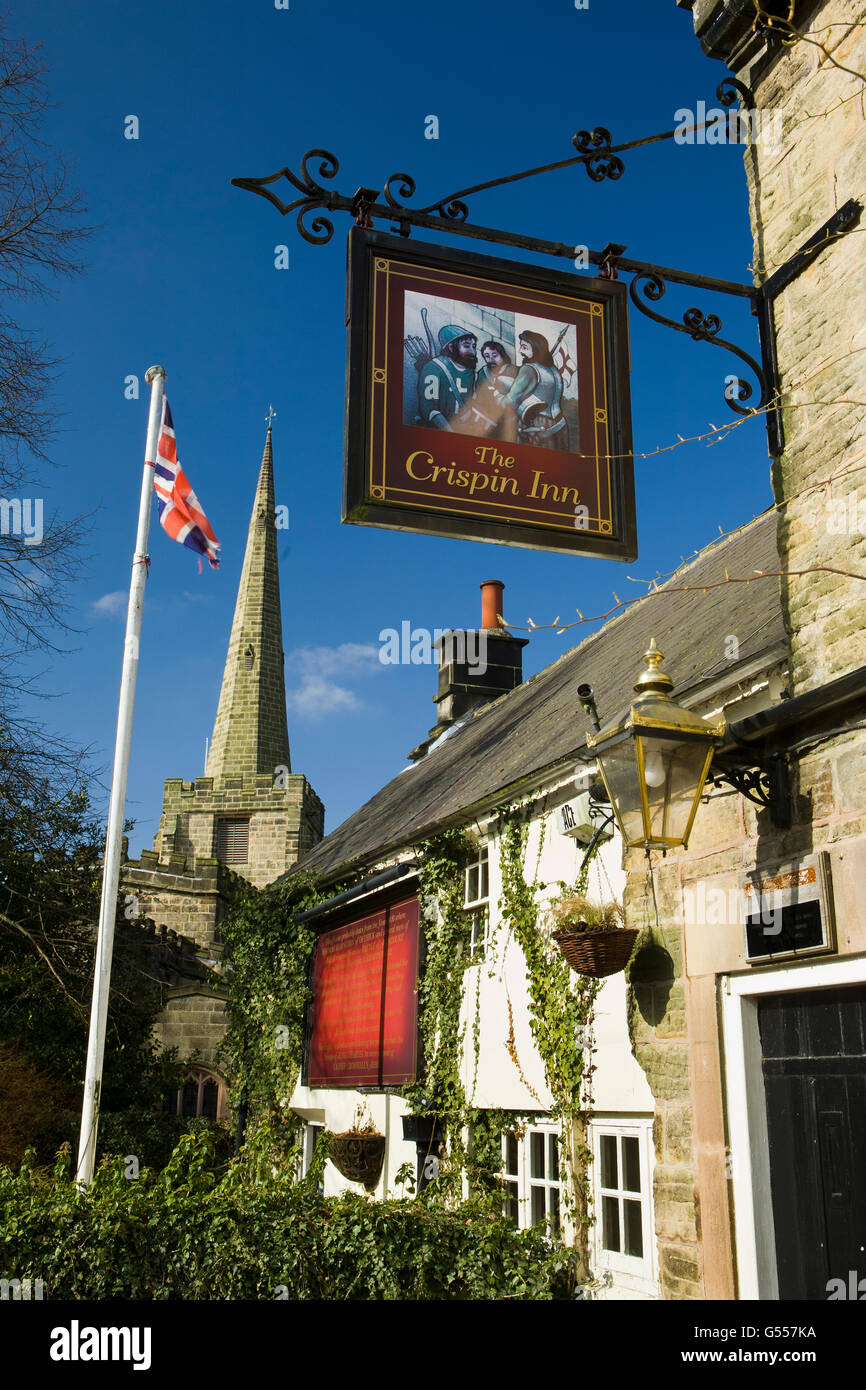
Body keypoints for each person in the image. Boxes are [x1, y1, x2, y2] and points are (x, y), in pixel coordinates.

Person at [495, 330, 569, 450]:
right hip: (560, 427)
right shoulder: (554, 370)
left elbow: (509, 401)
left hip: (536, 428)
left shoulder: (528, 369)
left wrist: (497, 396)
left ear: (536, 348)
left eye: (524, 347)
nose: (520, 351)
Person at [417, 325, 478, 430]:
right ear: (451, 347)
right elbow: (429, 407)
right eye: (467, 346)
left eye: (474, 346)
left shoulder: (472, 374)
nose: (473, 352)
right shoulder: (434, 367)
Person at [465, 341, 518, 440]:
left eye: (495, 355)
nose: (491, 359)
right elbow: (479, 398)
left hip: (507, 421)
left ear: (502, 355)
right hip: (488, 421)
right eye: (487, 356)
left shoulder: (512, 371)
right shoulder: (483, 373)